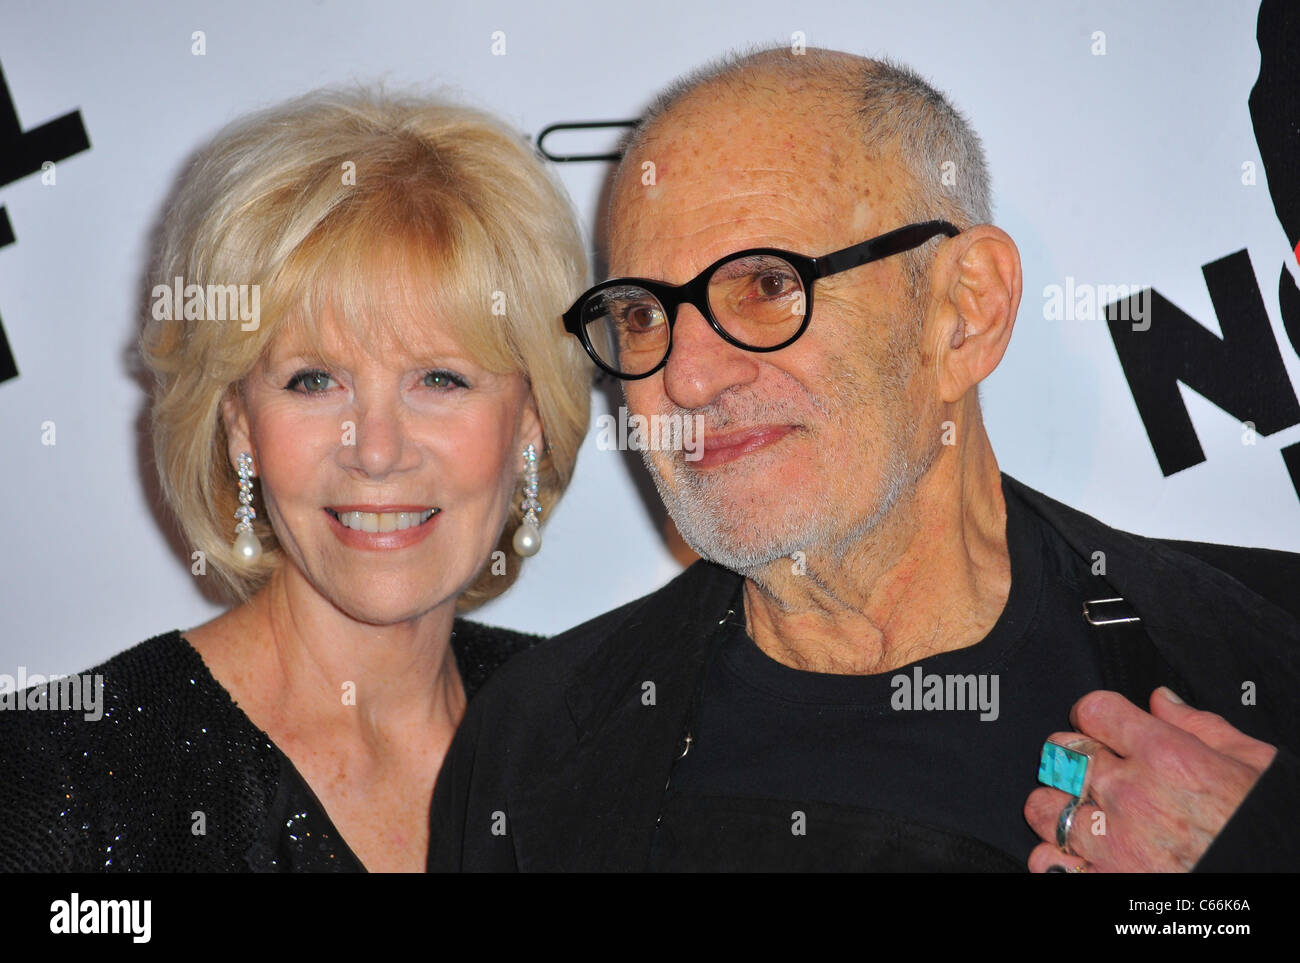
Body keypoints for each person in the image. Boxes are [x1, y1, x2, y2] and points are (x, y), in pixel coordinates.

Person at [429, 48, 1300, 872]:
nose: (684, 378)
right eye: (643, 315)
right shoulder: (536, 746)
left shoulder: (1263, 657)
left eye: (768, 286)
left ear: (966, 313)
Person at [0, 87, 590, 872]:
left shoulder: (603, 734)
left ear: (531, 419)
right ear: (240, 422)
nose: (376, 451)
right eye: (314, 381)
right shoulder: (57, 783)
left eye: (441, 379)